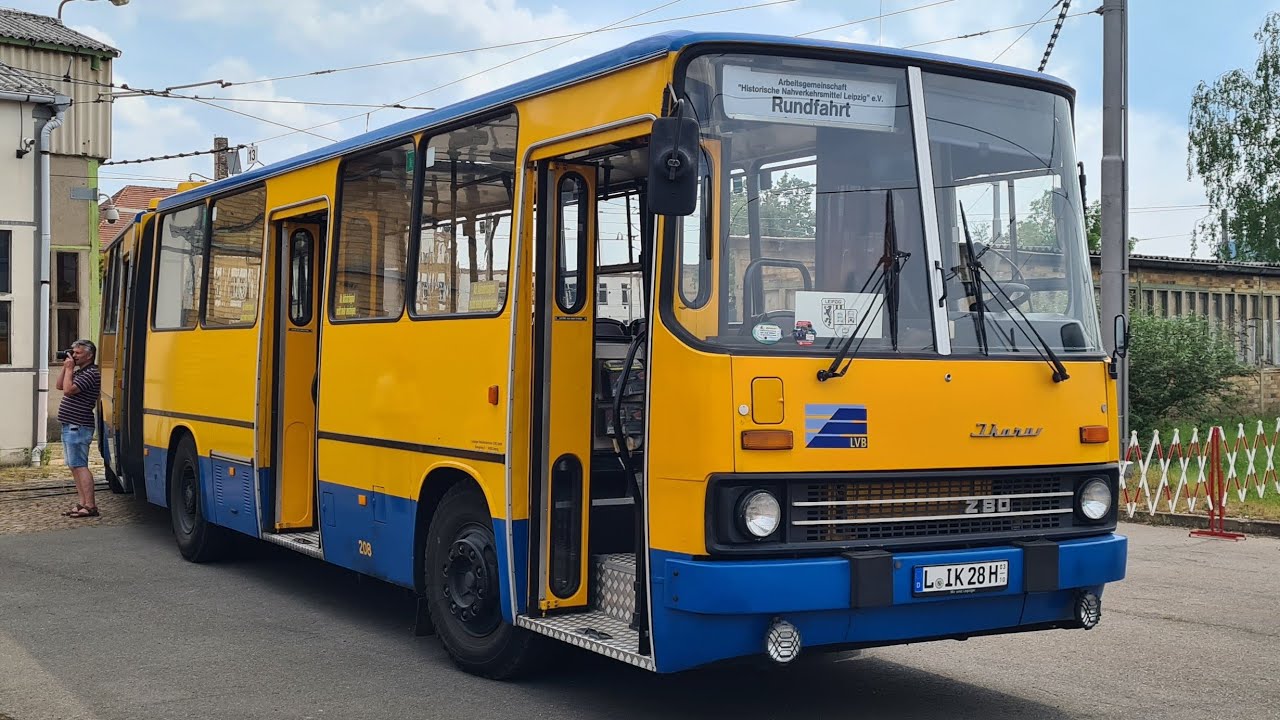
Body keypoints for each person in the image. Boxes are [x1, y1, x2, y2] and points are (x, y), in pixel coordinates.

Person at [56, 339, 101, 519]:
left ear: (89, 355)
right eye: (73, 353)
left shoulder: (91, 373)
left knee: (80, 465)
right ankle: (82, 503)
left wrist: (69, 370)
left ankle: (90, 505)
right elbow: (60, 385)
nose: (74, 356)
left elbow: (68, 390)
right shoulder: (80, 371)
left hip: (78, 425)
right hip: (70, 424)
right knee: (73, 465)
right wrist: (66, 367)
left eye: (77, 353)